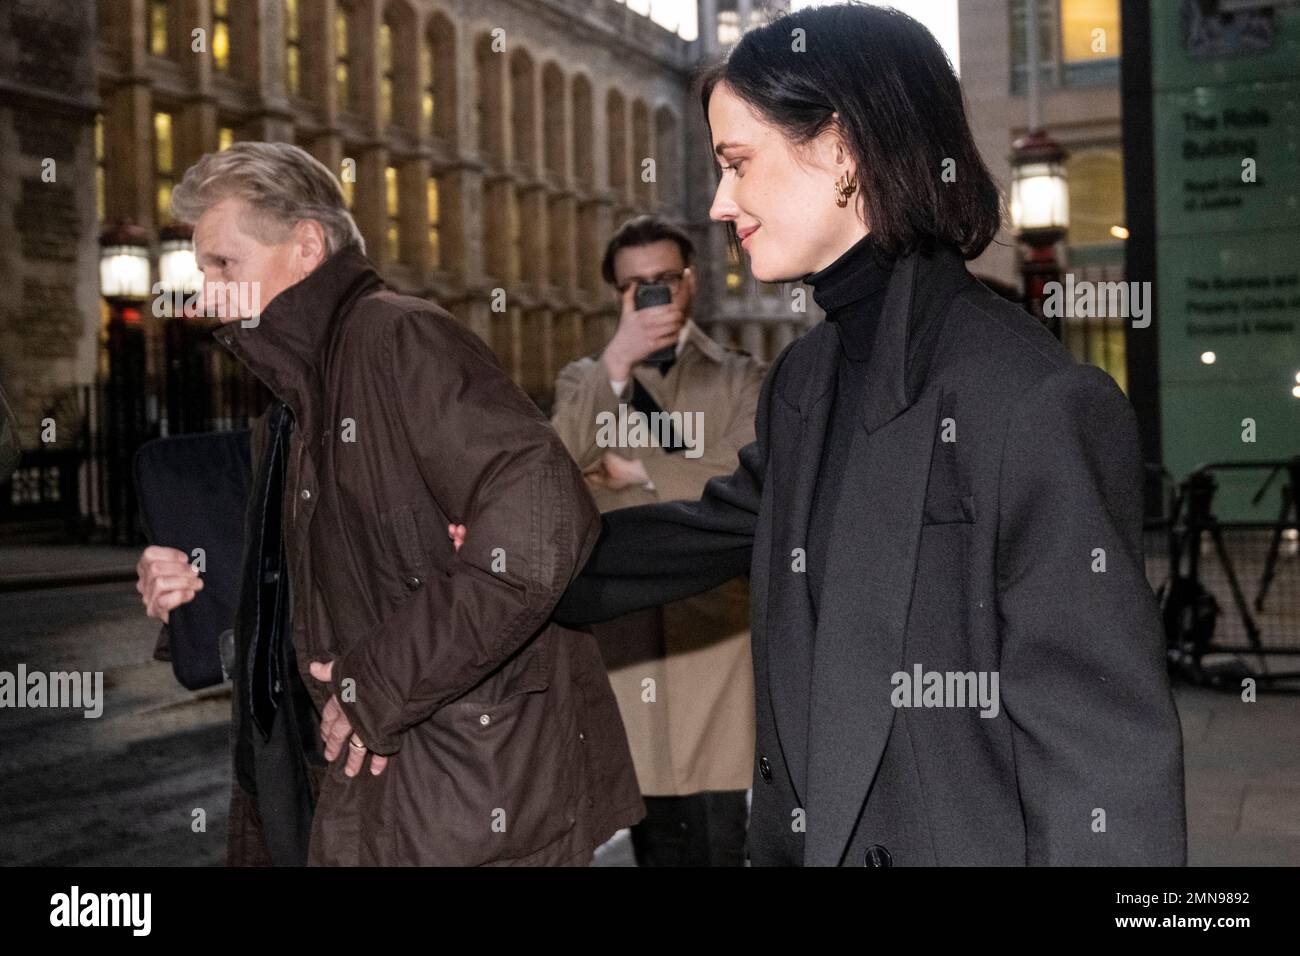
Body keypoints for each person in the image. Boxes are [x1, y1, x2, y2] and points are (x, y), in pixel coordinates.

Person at [554, 4, 1187, 866]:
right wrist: (500, 565)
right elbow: (706, 532)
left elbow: (1107, 776)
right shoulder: (809, 379)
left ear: (844, 151)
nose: (719, 203)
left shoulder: (1026, 396)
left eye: (738, 164)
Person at [136, 141, 643, 865]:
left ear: (307, 245)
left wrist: (380, 683)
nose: (205, 291)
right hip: (341, 789)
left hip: (461, 798)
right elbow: (308, 591)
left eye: (224, 264)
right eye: (200, 271)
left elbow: (542, 525)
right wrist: (191, 590)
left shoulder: (400, 337)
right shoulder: (293, 400)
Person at [551, 215, 766, 865]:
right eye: (634, 286)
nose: (652, 295)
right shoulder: (586, 382)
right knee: (655, 845)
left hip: (716, 648)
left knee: (721, 841)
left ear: (691, 282)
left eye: (665, 280)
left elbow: (752, 477)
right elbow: (553, 475)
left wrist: (635, 471)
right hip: (628, 649)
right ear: (615, 294)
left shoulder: (741, 376)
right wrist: (616, 361)